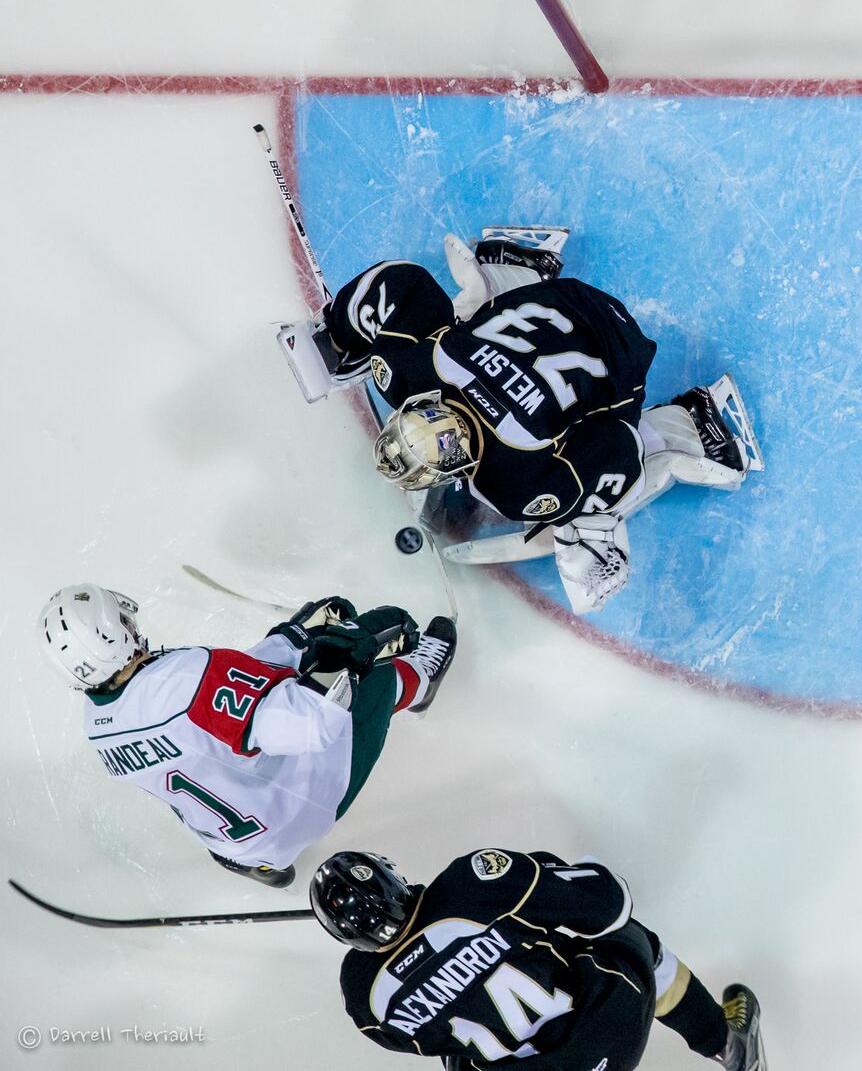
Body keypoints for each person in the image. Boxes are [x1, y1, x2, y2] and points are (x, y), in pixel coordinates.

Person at [284, 228, 763, 614]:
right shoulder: (411, 372)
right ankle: (512, 269)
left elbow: (616, 453)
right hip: (563, 302)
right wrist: (339, 333)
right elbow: (397, 283)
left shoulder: (516, 484)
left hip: (621, 344)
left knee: (611, 481)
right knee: (460, 333)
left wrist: (587, 535)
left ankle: (695, 426)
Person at [37, 584, 457, 887]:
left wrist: (291, 639)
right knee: (379, 684)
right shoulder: (185, 681)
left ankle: (258, 865)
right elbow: (312, 724)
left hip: (229, 839)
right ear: (112, 638)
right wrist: (350, 657)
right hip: (297, 808)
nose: (130, 622)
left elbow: (225, 698)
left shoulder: (97, 725)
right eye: (121, 621)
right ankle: (422, 681)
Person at [310, 846, 767, 1071]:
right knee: (630, 938)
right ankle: (726, 1043)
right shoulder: (471, 883)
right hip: (606, 1037)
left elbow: (423, 1040)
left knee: (456, 1051)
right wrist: (553, 872)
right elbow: (608, 904)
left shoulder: (362, 996)